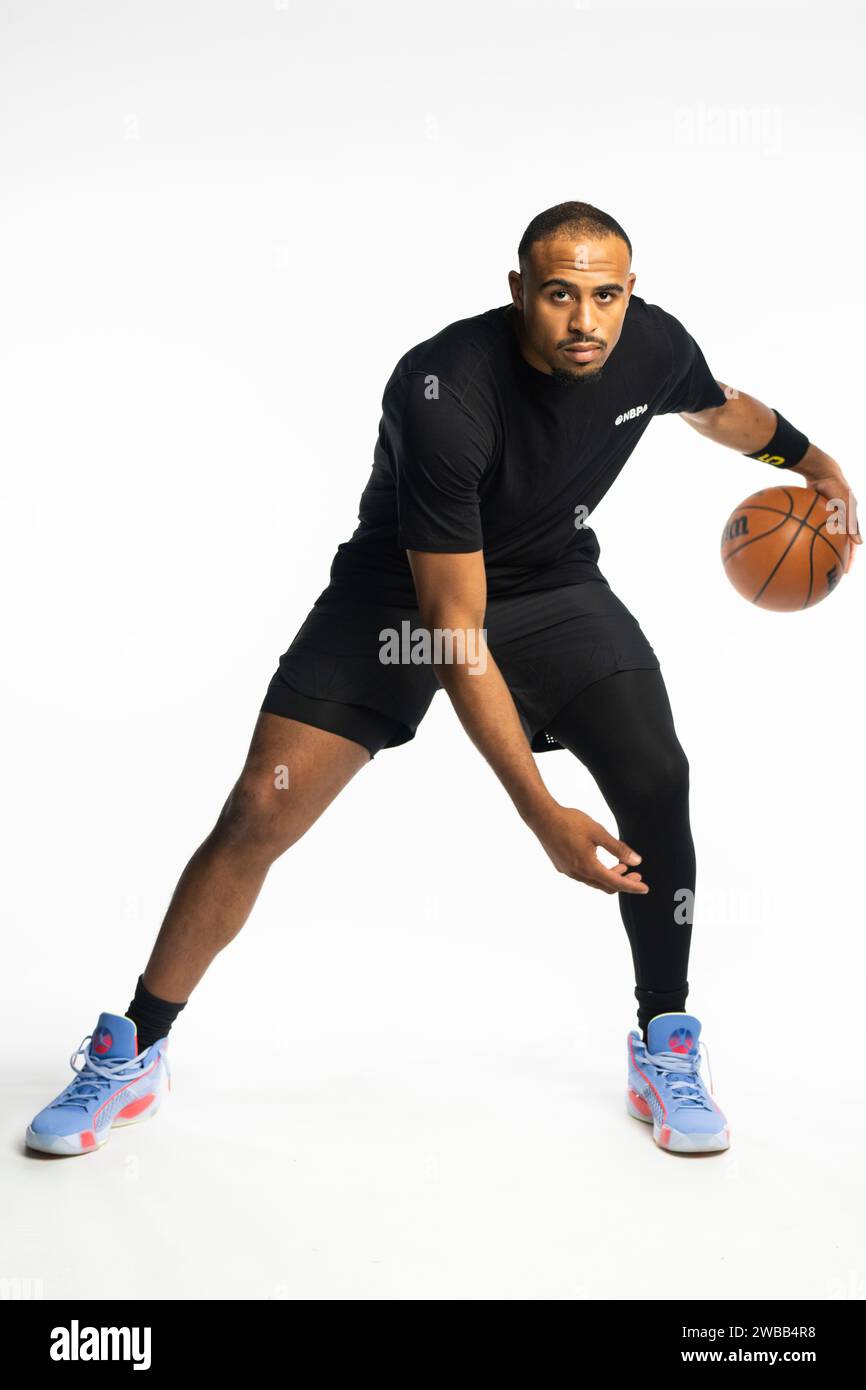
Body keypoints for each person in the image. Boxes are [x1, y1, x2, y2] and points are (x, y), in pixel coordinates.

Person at [26, 200, 860, 1158]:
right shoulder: (444, 389)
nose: (585, 321)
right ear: (518, 294)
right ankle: (136, 1045)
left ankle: (664, 1035)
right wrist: (541, 810)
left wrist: (818, 462)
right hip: (399, 594)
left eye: (605, 295)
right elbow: (453, 629)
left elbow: (717, 405)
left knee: (657, 778)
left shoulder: (652, 345)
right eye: (559, 295)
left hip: (548, 581)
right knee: (262, 805)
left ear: (631, 292)